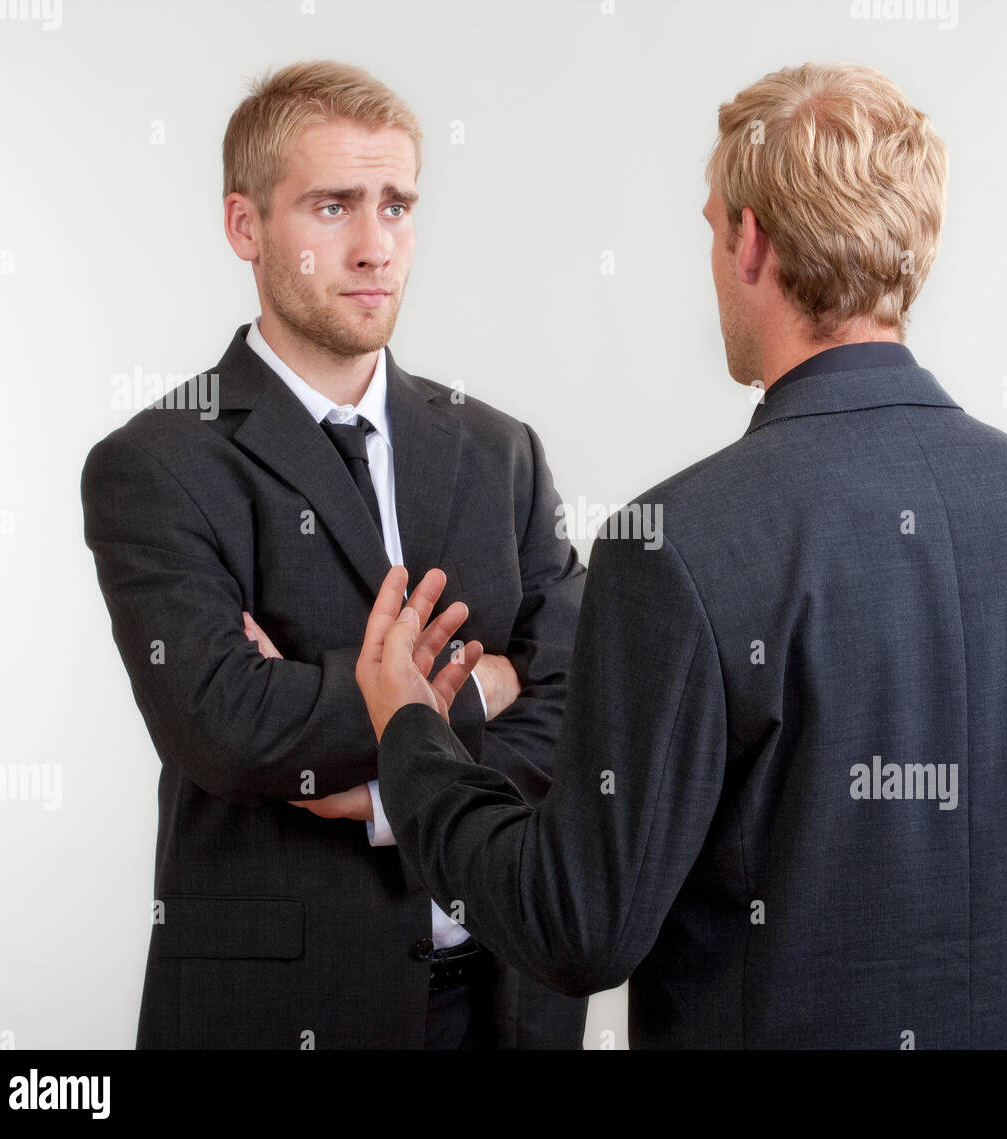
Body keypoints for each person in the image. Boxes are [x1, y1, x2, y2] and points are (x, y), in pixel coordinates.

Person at [312, 61, 1007, 1050]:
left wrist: (413, 736)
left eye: (713, 225)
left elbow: (575, 925)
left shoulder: (671, 543)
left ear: (749, 239)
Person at [81, 59, 587, 1049]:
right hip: (285, 1010)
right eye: (331, 205)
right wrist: (478, 685)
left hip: (511, 998)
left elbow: (582, 702)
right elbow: (226, 725)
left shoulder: (499, 449)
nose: (372, 245)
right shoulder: (158, 461)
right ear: (245, 227)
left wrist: (399, 782)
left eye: (396, 205)